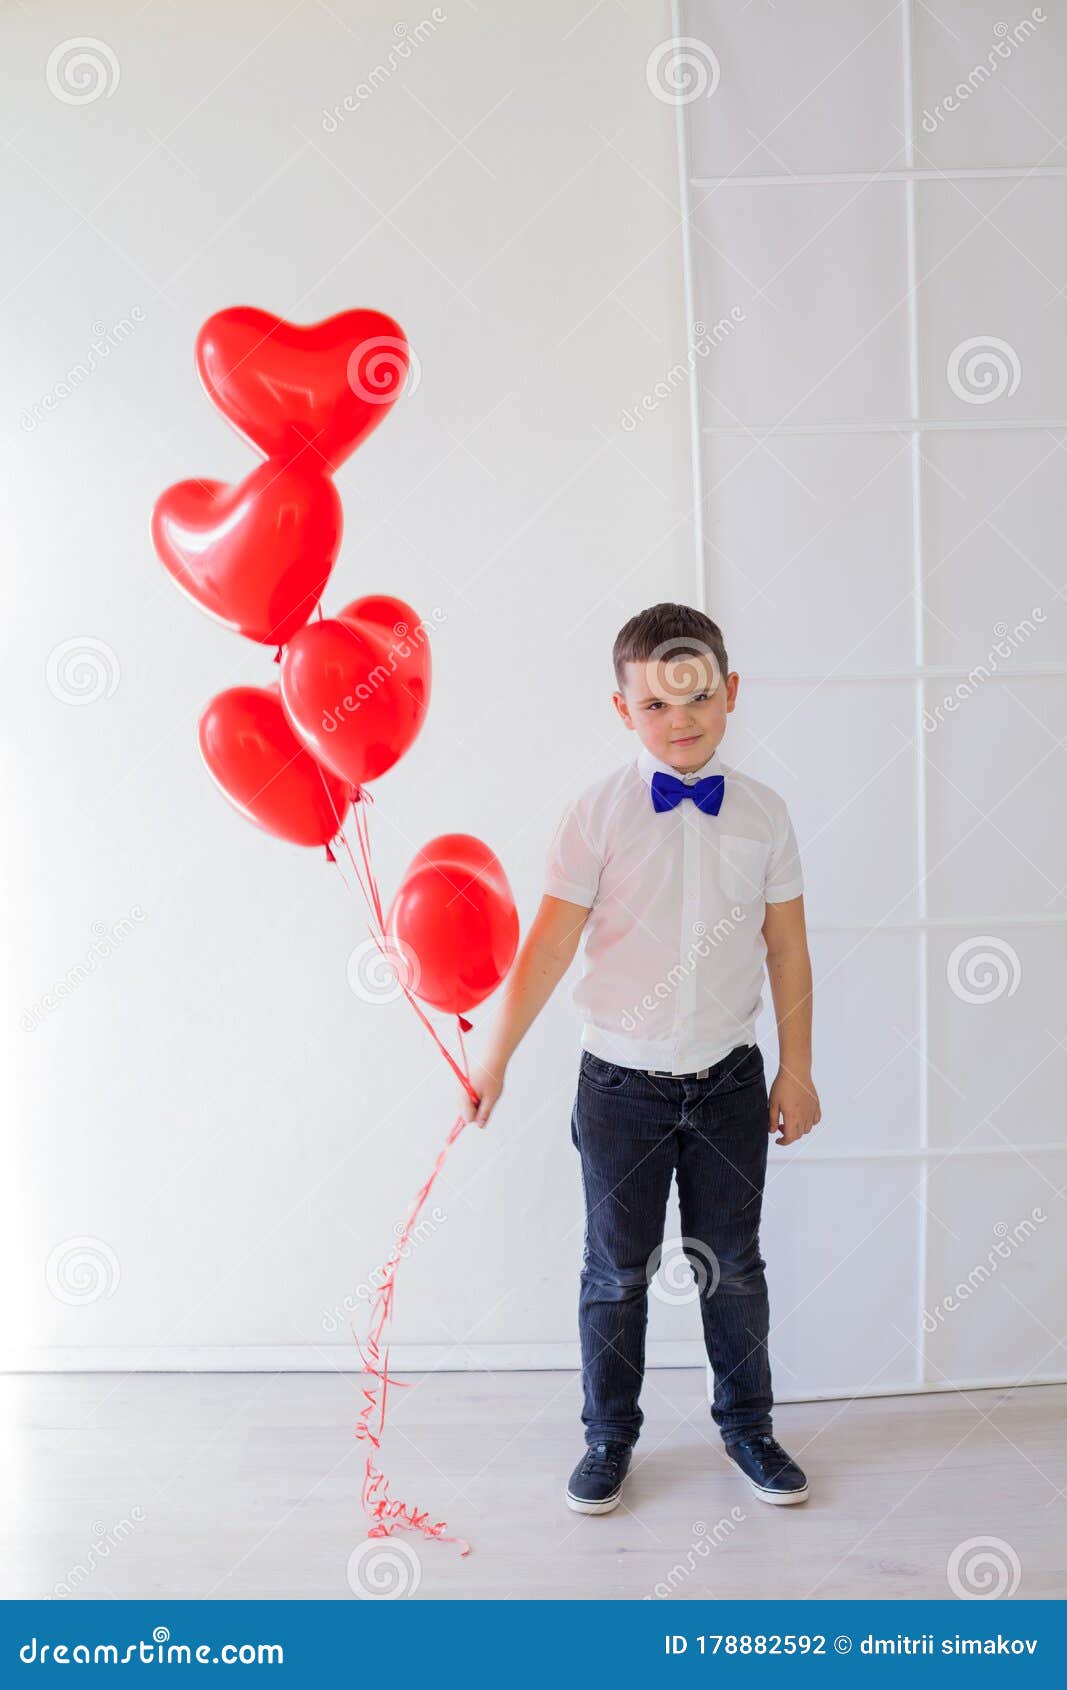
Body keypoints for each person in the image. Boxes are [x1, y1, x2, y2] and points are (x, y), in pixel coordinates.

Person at [459, 602, 820, 1515]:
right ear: (623, 712)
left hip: (730, 1079)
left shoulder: (765, 815)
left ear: (730, 692)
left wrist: (797, 1067)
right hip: (619, 1085)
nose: (680, 719)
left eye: (696, 696)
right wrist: (494, 1059)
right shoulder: (597, 814)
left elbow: (787, 950)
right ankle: (608, 1438)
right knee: (614, 1270)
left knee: (731, 1263)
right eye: (654, 705)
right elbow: (546, 947)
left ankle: (747, 1427)